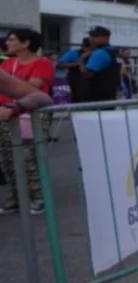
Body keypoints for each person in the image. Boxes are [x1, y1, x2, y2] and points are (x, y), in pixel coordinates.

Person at [0, 29, 55, 214]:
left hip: (30, 115)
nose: (7, 42)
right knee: (8, 159)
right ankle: (16, 197)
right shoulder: (7, 63)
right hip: (7, 116)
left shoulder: (42, 63)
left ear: (26, 43)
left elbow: (33, 87)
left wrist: (10, 86)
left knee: (29, 157)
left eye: (12, 39)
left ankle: (38, 197)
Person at [78, 26, 120, 103]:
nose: (91, 39)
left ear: (106, 38)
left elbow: (87, 74)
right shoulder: (110, 51)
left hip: (95, 98)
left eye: (95, 36)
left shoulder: (100, 53)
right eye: (90, 36)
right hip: (107, 96)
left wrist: (81, 60)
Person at [57, 37, 91, 102]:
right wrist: (76, 64)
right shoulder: (74, 53)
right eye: (87, 47)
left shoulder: (96, 53)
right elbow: (59, 65)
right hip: (76, 82)